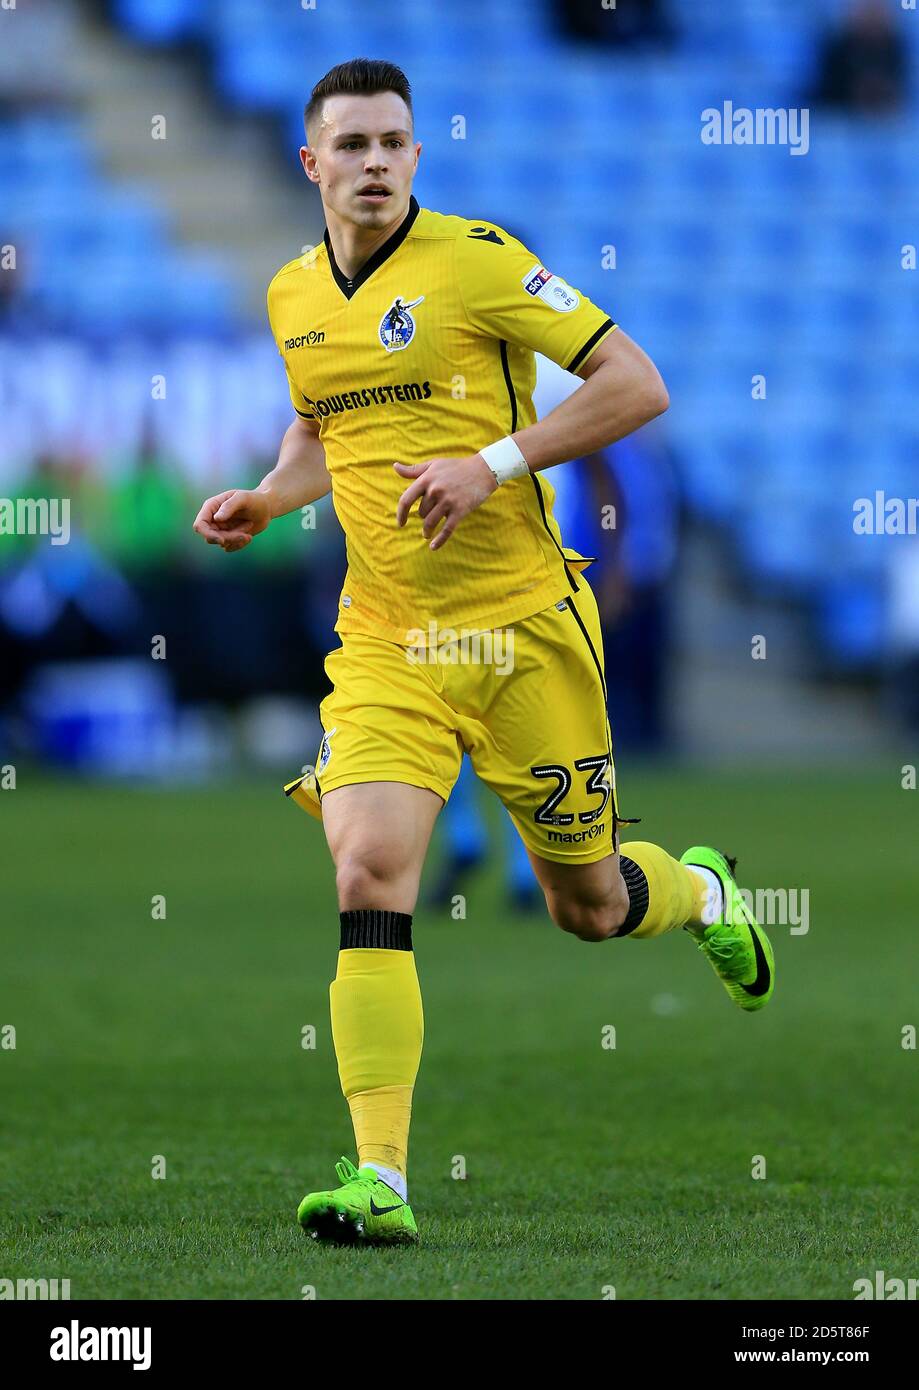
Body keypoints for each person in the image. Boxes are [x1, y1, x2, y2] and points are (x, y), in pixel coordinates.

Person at [193, 58, 775, 1247]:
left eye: (392, 143)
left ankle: (701, 889)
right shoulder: (292, 295)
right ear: (311, 164)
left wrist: (495, 461)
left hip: (521, 634)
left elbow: (637, 385)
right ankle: (383, 1180)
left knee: (588, 907)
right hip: (387, 642)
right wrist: (267, 497)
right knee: (367, 870)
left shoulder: (479, 260)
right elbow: (323, 431)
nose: (372, 163)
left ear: (416, 157)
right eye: (349, 144)